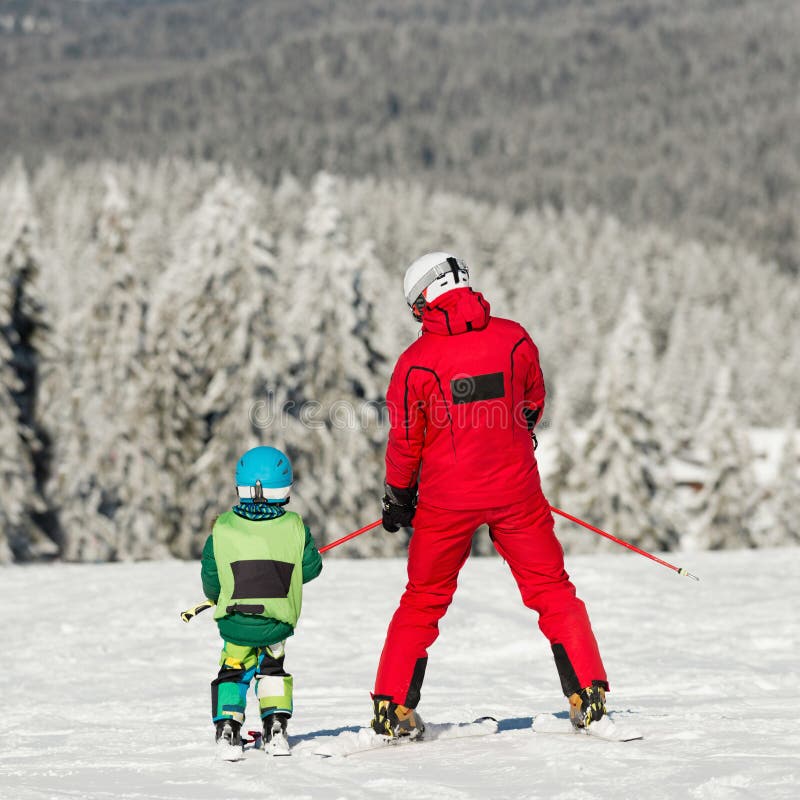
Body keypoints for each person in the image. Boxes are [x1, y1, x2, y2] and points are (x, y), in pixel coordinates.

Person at [371, 252, 609, 738]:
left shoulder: (415, 363)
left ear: (425, 300)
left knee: (422, 601)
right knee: (552, 591)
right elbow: (532, 401)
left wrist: (399, 496)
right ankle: (589, 693)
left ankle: (392, 707)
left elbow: (405, 440)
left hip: (444, 503)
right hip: (516, 494)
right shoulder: (514, 337)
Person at [201, 446, 322, 756]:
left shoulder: (222, 528)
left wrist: (218, 596)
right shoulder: (295, 526)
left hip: (235, 625)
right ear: (285, 489)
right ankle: (276, 727)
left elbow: (211, 580)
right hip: (275, 626)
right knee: (272, 671)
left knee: (233, 671)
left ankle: (228, 727)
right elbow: (310, 569)